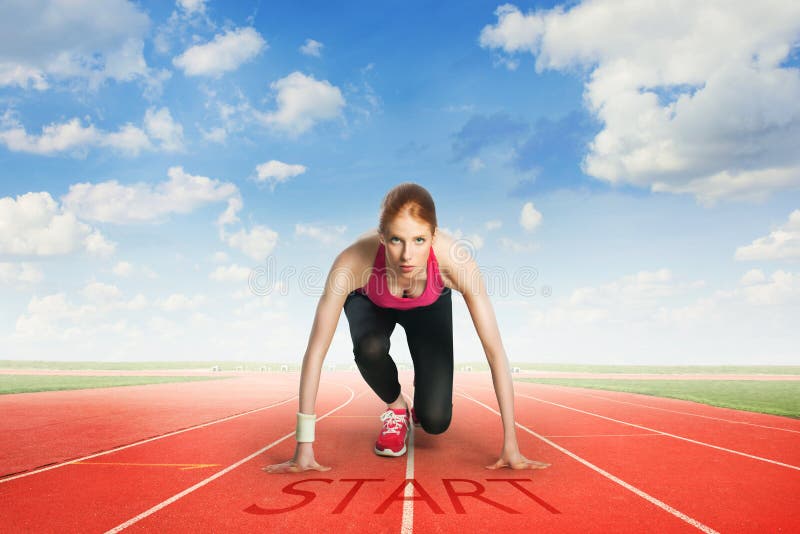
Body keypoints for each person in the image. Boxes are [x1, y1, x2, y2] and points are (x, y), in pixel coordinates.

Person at [264, 183, 550, 473]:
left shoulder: (455, 262)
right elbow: (315, 352)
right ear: (381, 237)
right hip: (370, 301)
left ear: (434, 237)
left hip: (429, 307)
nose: (407, 256)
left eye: (419, 240)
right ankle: (397, 406)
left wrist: (511, 444)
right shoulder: (352, 264)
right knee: (370, 347)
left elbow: (494, 351)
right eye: (396, 240)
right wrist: (304, 446)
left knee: (436, 421)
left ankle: (421, 405)